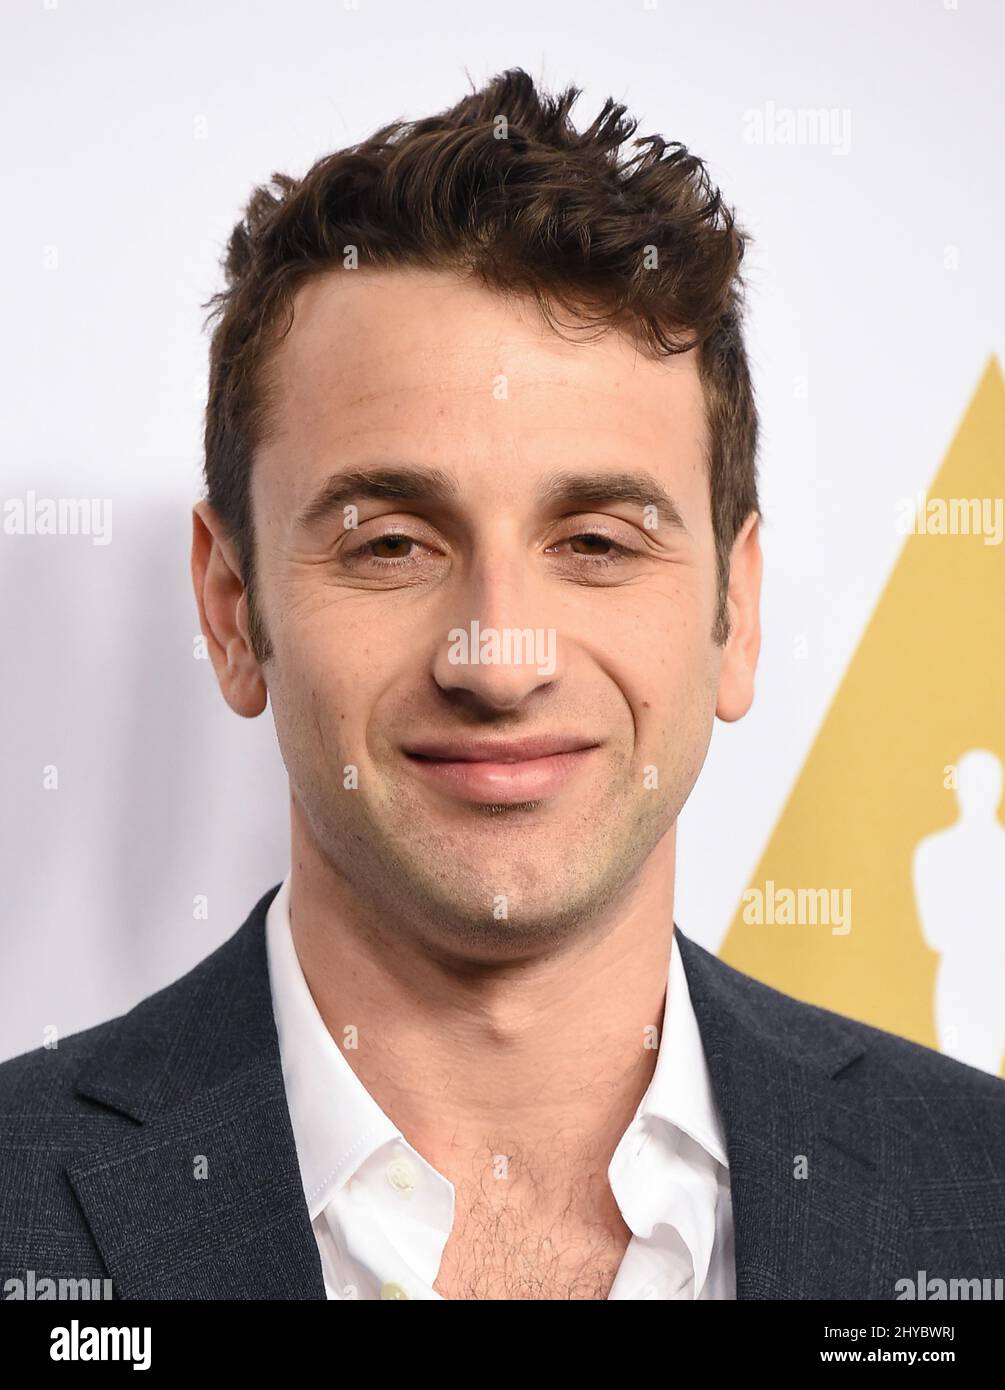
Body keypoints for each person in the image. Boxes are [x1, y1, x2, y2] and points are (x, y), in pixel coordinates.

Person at [2, 68, 1002, 1302]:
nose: (499, 658)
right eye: (391, 544)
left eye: (595, 542)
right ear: (230, 609)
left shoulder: (981, 1194)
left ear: (735, 613)